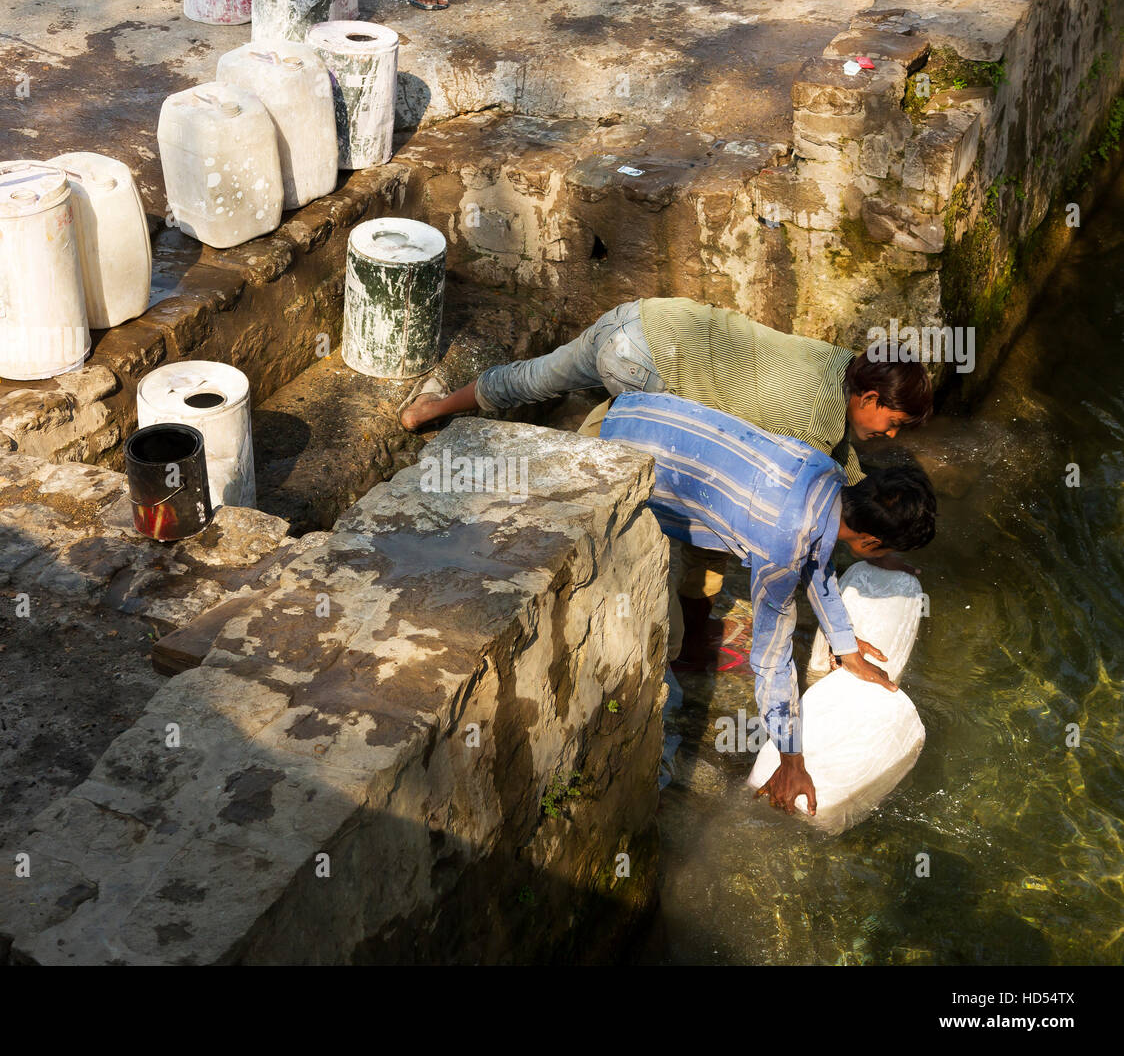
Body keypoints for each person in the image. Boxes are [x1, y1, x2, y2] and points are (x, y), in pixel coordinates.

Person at [399, 296, 934, 663]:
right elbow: (818, 515)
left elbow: (847, 473)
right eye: (893, 424)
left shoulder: (838, 366)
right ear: (868, 398)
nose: (891, 438)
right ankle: (691, 637)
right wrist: (862, 563)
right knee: (697, 507)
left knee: (536, 376)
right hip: (651, 368)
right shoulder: (812, 418)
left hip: (640, 322)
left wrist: (879, 535)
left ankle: (430, 409)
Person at [597, 391, 937, 814]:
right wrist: (792, 761)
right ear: (870, 541)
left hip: (633, 411)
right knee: (661, 642)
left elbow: (818, 557)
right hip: (603, 465)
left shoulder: (826, 474)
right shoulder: (783, 543)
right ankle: (639, 779)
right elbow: (772, 658)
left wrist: (846, 647)